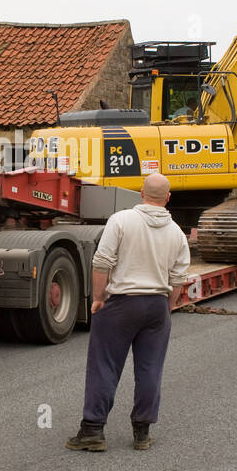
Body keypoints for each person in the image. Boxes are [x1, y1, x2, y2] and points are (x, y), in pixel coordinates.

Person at [66, 172, 191, 453]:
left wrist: (98, 298)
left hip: (122, 303)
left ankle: (93, 431)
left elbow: (102, 261)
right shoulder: (176, 233)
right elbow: (178, 279)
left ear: (141, 194)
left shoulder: (121, 220)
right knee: (150, 368)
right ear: (168, 198)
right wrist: (167, 309)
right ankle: (142, 434)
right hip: (157, 305)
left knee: (105, 365)